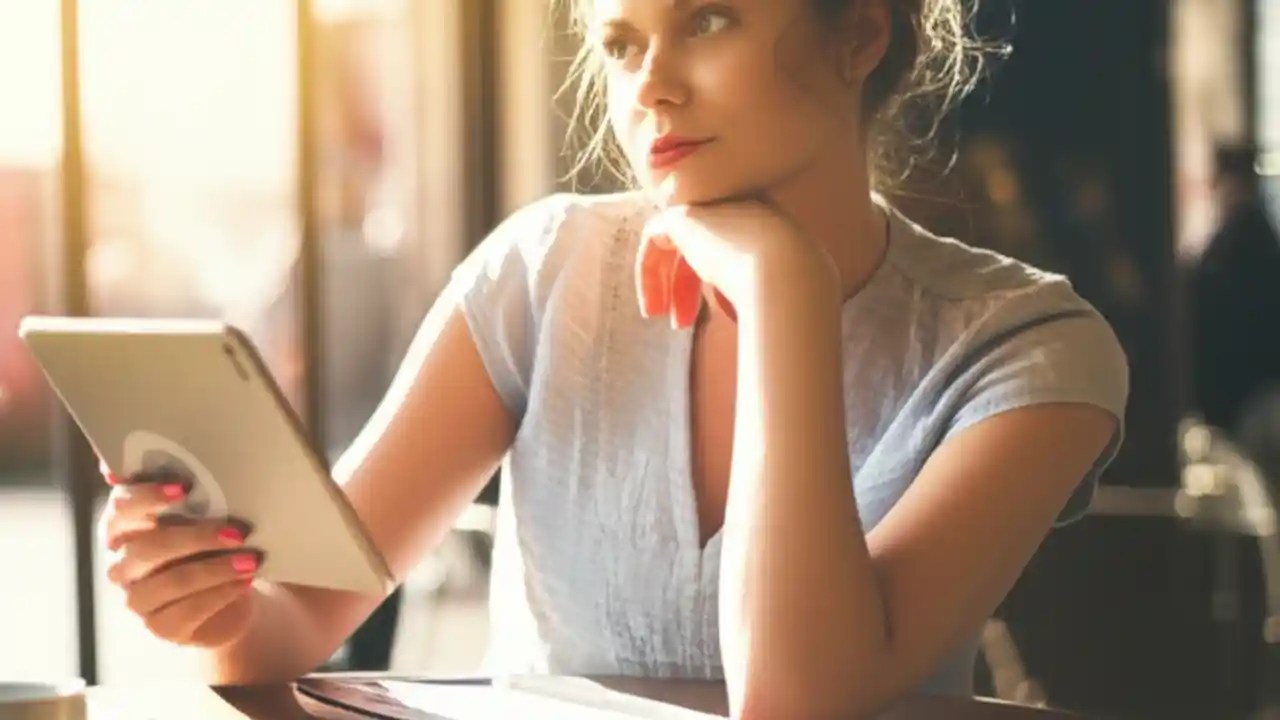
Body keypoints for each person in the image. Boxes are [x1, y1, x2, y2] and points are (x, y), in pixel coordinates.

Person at [96, 1, 1128, 716]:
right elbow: (283, 633)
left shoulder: (1025, 348)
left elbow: (798, 700)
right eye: (621, 43)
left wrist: (782, 291)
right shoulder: (546, 270)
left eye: (709, 20)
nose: (651, 88)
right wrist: (209, 596)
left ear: (857, 33)